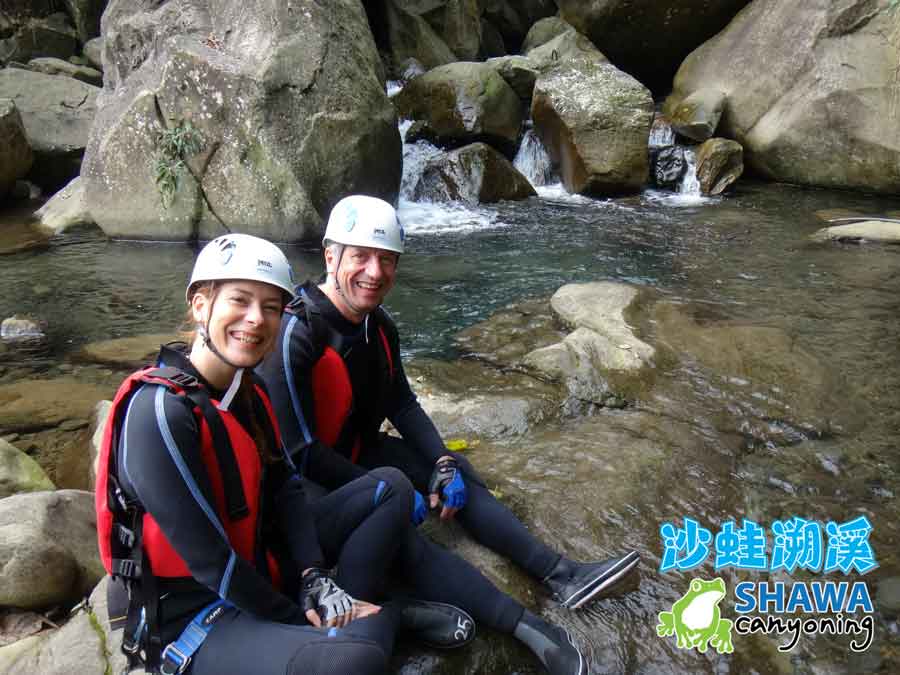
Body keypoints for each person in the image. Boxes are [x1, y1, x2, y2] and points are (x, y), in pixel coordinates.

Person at [258, 196, 641, 674]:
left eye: (387, 260)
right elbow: (299, 454)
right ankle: (525, 627)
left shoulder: (377, 326)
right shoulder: (296, 333)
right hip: (311, 486)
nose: (374, 272)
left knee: (455, 468)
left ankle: (562, 575)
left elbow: (401, 403)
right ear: (331, 256)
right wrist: (383, 490)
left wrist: (440, 463)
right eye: (360, 256)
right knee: (399, 527)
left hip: (357, 453)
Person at [95, 233, 474, 675]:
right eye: (240, 301)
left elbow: (285, 487)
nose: (255, 320)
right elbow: (211, 564)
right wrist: (308, 626)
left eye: (271, 308)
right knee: (351, 660)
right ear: (201, 305)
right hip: (194, 616)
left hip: (261, 564)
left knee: (391, 484)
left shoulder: (248, 392)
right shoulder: (159, 412)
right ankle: (382, 616)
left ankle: (350, 612)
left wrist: (313, 575)